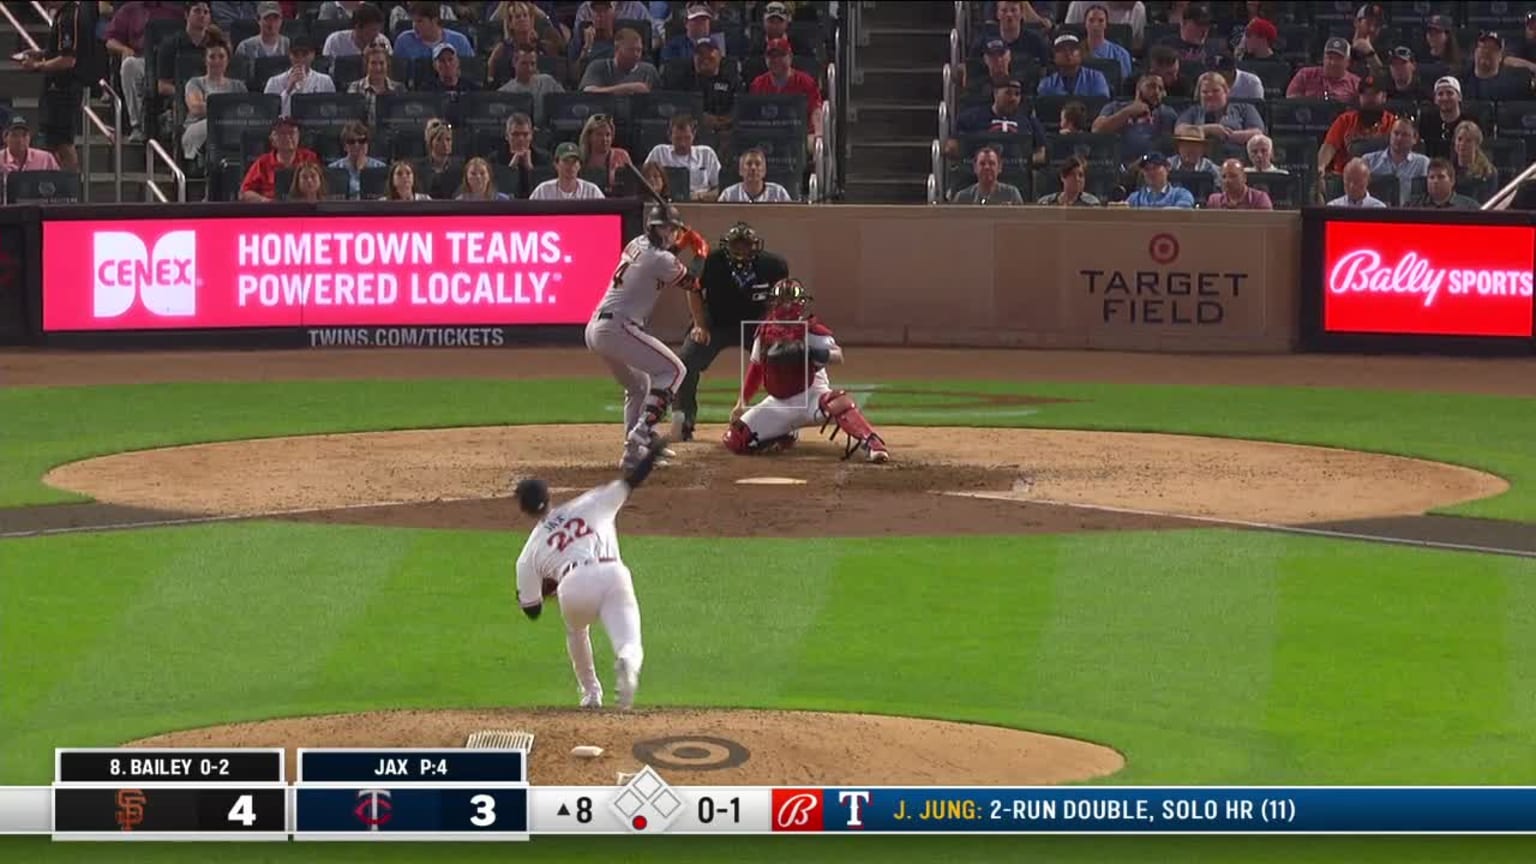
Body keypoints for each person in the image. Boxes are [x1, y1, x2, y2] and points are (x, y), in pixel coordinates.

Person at [512, 440, 665, 711]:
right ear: (549, 497)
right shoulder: (591, 502)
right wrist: (652, 456)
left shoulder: (529, 553)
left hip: (572, 586)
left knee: (577, 630)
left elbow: (532, 610)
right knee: (630, 642)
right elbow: (631, 481)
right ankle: (627, 662)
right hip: (613, 574)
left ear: (524, 510)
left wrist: (546, 587)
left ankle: (591, 693)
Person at [586, 203, 704, 469]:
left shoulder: (638, 243)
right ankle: (638, 438)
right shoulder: (660, 259)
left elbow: (660, 261)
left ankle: (635, 451)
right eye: (672, 229)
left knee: (640, 387)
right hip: (618, 328)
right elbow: (692, 282)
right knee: (674, 370)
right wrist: (700, 252)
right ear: (661, 229)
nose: (675, 234)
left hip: (597, 328)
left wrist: (679, 246)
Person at [724, 278, 891, 464]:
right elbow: (756, 368)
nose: (786, 306)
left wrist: (809, 352)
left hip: (812, 397)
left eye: (791, 300)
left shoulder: (810, 330)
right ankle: (784, 434)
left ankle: (871, 442)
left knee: (839, 402)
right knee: (735, 439)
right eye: (782, 301)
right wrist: (742, 402)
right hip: (778, 404)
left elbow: (838, 356)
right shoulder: (764, 332)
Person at [671, 221, 790, 441]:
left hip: (756, 323)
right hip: (715, 322)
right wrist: (699, 324)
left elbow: (782, 298)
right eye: (737, 245)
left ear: (755, 245)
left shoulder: (773, 265)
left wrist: (774, 326)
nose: (742, 250)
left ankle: (785, 423)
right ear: (727, 246)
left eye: (746, 245)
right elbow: (693, 291)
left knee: (784, 360)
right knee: (686, 363)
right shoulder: (711, 262)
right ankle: (684, 421)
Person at [24, 0, 95, 169]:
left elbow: (68, 60)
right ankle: (56, 188)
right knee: (53, 143)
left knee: (64, 144)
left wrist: (37, 66)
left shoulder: (70, 17)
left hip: (65, 89)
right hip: (55, 89)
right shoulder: (61, 14)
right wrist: (41, 54)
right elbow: (60, 51)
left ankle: (71, 192)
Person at [182, 33, 245, 165]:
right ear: (205, 60)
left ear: (228, 60)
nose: (217, 61)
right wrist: (229, 110)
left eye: (221, 57)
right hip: (199, 126)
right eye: (212, 57)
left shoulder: (238, 86)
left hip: (231, 128)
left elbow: (245, 111)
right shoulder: (195, 83)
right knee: (218, 124)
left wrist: (215, 107)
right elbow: (196, 108)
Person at [1092, 74, 1178, 164]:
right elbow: (1097, 130)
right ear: (1138, 88)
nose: (1156, 92)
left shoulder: (1168, 114)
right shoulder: (1115, 107)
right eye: (1151, 86)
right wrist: (1129, 112)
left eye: (1160, 89)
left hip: (1153, 167)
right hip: (1118, 166)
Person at [1174, 70, 1264, 146]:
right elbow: (1179, 130)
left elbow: (1257, 132)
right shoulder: (1193, 111)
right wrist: (1208, 129)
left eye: (1215, 91)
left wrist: (1229, 135)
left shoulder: (1245, 108)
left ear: (1226, 91)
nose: (1210, 95)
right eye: (1205, 92)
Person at [643, 114, 721, 201]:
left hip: (699, 204)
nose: (682, 144)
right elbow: (643, 183)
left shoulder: (707, 154)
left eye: (687, 138)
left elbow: (719, 189)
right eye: (678, 139)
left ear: (693, 135)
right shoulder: (659, 152)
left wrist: (700, 196)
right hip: (665, 204)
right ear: (669, 137)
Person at [239, 116, 318, 202]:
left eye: (291, 133)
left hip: (303, 209)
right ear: (272, 139)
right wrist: (264, 200)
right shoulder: (262, 162)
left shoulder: (309, 158)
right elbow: (244, 193)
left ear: (298, 136)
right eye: (282, 133)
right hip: (272, 211)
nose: (287, 137)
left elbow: (323, 188)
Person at [263, 35, 336, 116]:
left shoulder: (325, 81)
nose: (300, 59)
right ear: (290, 55)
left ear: (313, 55)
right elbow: (269, 113)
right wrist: (288, 90)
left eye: (305, 54)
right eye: (295, 54)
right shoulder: (274, 81)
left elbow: (331, 112)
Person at [1361, 118, 1428, 206]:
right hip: (1376, 212)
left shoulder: (1423, 163)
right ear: (1390, 135)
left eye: (1405, 135)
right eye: (1396, 133)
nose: (1399, 138)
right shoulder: (1369, 160)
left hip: (1410, 214)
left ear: (1415, 138)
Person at [580, 27, 660, 94]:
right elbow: (587, 92)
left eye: (639, 50)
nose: (636, 54)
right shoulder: (598, 66)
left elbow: (661, 100)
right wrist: (629, 88)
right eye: (631, 50)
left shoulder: (649, 70)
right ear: (617, 49)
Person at [498, 46, 564, 126]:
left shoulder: (548, 82)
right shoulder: (504, 92)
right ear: (514, 63)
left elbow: (564, 106)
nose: (529, 68)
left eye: (532, 64)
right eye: (524, 63)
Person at [1286, 36, 1360, 103]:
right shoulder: (1305, 75)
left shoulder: (1356, 83)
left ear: (1348, 62)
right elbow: (1291, 102)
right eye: (1330, 57)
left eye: (1338, 59)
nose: (1333, 63)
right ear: (1323, 58)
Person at [394, 1, 474, 61]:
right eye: (413, 21)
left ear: (434, 21)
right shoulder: (403, 42)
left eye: (420, 21)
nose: (414, 26)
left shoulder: (460, 42)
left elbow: (471, 73)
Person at [1037, 34, 1112, 98]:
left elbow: (1102, 106)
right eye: (1061, 49)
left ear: (1080, 54)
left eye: (1073, 49)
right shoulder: (1046, 84)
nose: (1068, 53)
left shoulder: (1096, 78)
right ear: (1054, 57)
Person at [327, 119, 384, 198]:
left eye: (362, 141)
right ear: (344, 146)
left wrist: (361, 171)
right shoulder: (333, 169)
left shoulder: (380, 167)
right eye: (351, 141)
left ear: (367, 144)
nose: (357, 145)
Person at [949, 146, 1024, 205]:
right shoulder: (962, 198)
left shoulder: (1012, 194)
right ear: (975, 168)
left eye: (991, 163)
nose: (987, 167)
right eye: (982, 164)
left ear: (999, 168)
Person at [531, 141, 606, 199]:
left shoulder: (592, 191)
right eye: (566, 161)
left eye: (574, 162)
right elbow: (529, 215)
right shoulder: (543, 191)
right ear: (556, 164)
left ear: (579, 165)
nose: (570, 166)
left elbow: (606, 215)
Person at [578, 114, 632, 193]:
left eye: (608, 135)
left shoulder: (621, 155)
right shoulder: (579, 157)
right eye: (599, 134)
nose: (604, 139)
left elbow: (631, 186)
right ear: (589, 136)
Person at [717, 147, 793, 203]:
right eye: (749, 164)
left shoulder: (779, 193)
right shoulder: (728, 195)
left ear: (764, 171)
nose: (753, 168)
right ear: (740, 170)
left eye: (758, 164)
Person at [1406, 158, 1480, 210]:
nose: (1435, 181)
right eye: (1431, 177)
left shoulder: (1470, 207)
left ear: (1452, 181)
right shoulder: (1413, 205)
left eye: (1441, 177)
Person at [1126, 151, 1195, 207]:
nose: (1151, 172)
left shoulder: (1181, 195)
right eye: (1147, 169)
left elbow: (1182, 212)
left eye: (1155, 168)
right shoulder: (1134, 198)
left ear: (1167, 168)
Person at [323, 2, 390, 58]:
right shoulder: (335, 42)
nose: (376, 34)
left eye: (378, 30)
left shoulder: (383, 41)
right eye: (373, 30)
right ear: (358, 28)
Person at [1206, 158, 1272, 209]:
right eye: (1224, 177)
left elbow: (1266, 225)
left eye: (1233, 176)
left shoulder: (1259, 198)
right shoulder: (1214, 201)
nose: (1227, 180)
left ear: (1244, 178)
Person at [1036, 155, 1102, 205]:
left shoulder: (1092, 203)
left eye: (1081, 175)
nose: (1077, 179)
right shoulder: (1045, 202)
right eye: (1072, 175)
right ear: (1062, 177)